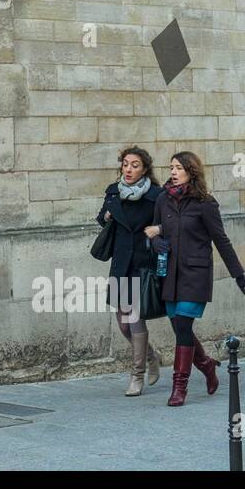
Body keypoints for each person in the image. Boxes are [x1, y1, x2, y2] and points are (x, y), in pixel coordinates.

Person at [144, 151, 245, 406]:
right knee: (180, 328)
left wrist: (238, 275)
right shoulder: (163, 200)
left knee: (183, 327)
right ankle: (207, 366)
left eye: (178, 167)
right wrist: (157, 241)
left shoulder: (205, 203)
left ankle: (179, 387)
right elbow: (154, 231)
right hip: (169, 274)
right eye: (171, 167)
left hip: (195, 274)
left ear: (191, 171)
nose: (173, 171)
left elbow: (221, 240)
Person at [96, 147, 164, 397]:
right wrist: (106, 215)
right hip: (119, 263)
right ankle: (151, 356)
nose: (128, 169)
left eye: (135, 165)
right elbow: (101, 220)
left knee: (135, 319)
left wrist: (157, 229)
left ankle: (137, 376)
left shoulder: (156, 195)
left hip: (142, 262)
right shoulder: (113, 192)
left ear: (145, 169)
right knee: (123, 324)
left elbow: (166, 222)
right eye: (125, 164)